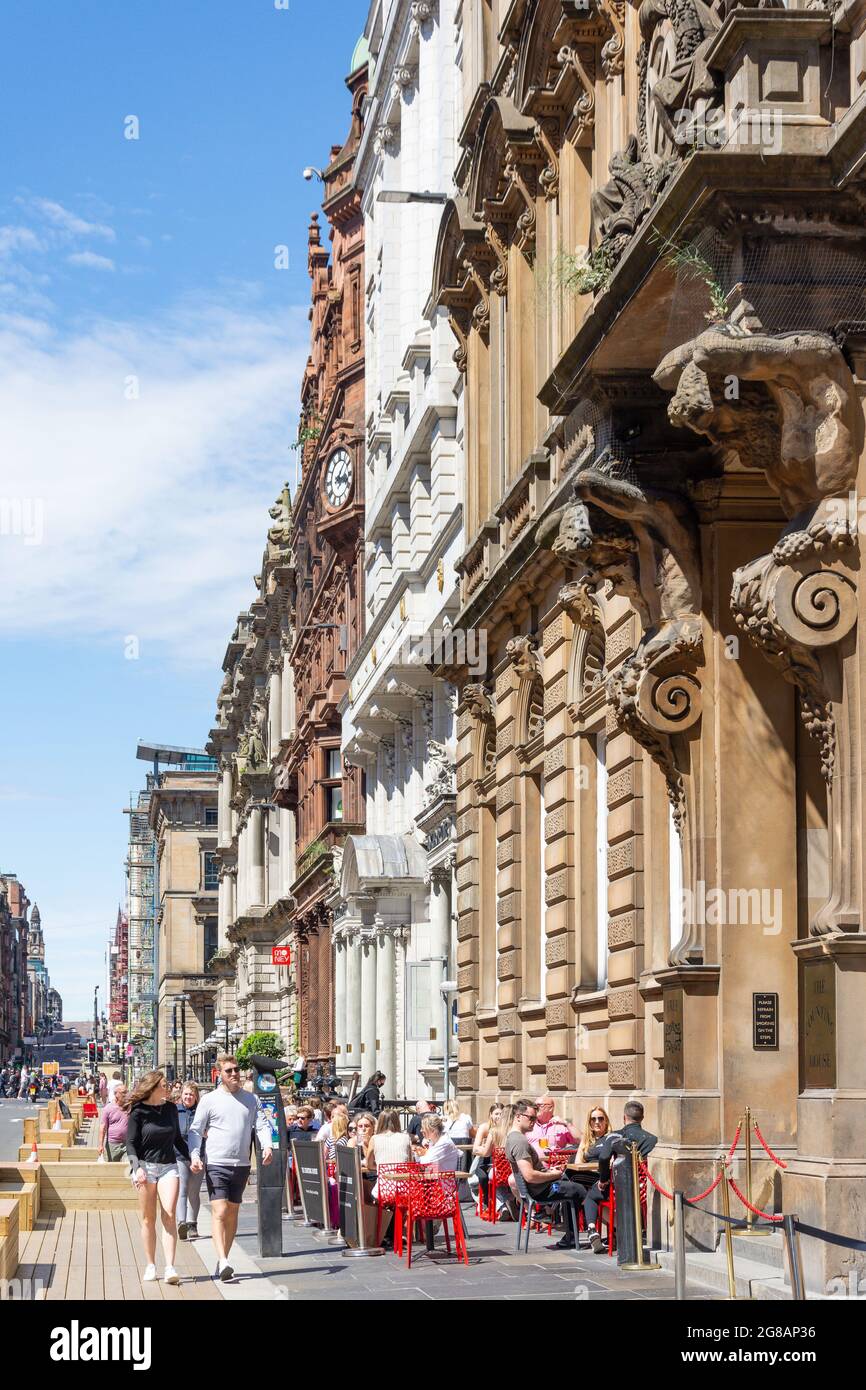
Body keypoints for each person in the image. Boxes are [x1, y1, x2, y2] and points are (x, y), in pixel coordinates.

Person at [188, 1054, 273, 1282]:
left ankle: (222, 1258)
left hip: (241, 1164)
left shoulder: (251, 1099)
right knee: (220, 1212)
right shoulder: (209, 1100)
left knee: (233, 1212)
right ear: (220, 1075)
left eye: (236, 1069)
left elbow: (262, 1124)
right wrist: (195, 1154)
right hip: (216, 1162)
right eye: (229, 1071)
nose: (234, 1074)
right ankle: (225, 1261)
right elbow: (196, 1130)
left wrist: (267, 1146)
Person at [124, 1070, 188, 1284]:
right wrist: (136, 1168)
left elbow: (177, 1139)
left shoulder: (171, 1109)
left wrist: (193, 1158)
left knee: (169, 1213)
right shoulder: (138, 1111)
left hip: (169, 1166)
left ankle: (170, 1267)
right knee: (148, 1218)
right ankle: (151, 1265)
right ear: (153, 1087)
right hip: (145, 1167)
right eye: (164, 1084)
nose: (168, 1087)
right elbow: (130, 1143)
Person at [504, 1099, 586, 1250]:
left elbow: (581, 1138)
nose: (534, 1122)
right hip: (542, 1190)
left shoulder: (514, 1138)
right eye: (531, 1118)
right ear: (518, 1117)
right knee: (581, 1189)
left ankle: (572, 1235)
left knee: (573, 1180)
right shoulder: (520, 1141)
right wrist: (554, 1175)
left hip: (540, 1187)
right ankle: (592, 1231)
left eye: (535, 1118)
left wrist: (552, 1171)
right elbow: (530, 1176)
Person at [175, 1081, 203, 1242]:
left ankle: (193, 1224)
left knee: (194, 1191)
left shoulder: (201, 1112)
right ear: (181, 1095)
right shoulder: (175, 1111)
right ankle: (182, 1222)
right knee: (182, 1190)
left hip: (198, 1156)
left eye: (191, 1094)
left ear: (196, 1096)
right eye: (186, 1094)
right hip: (180, 1156)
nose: (188, 1097)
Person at [468, 1102, 502, 1208]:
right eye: (496, 1114)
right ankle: (486, 1200)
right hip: (485, 1159)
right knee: (483, 1177)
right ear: (491, 1115)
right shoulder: (485, 1127)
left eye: (501, 1114)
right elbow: (475, 1148)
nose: (498, 1117)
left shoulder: (506, 1128)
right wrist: (486, 1148)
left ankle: (501, 1203)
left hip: (501, 1160)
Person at [527, 1094, 575, 1160]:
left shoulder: (561, 1126)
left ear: (550, 1108)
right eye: (534, 1106)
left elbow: (582, 1141)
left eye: (539, 1105)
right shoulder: (529, 1124)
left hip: (554, 1167)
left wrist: (567, 1124)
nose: (535, 1109)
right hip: (531, 1167)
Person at [98, 1084, 129, 1163]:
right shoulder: (108, 1108)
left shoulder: (130, 1106)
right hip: (113, 1144)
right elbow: (103, 1127)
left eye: (127, 1092)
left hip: (127, 1143)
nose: (126, 1095)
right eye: (123, 1092)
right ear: (116, 1094)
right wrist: (100, 1145)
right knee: (113, 1169)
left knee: (128, 1166)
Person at [442, 1099, 476, 1171]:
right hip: (465, 1149)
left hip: (449, 1149)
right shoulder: (465, 1117)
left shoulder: (443, 1120)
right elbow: (473, 1133)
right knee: (464, 1169)